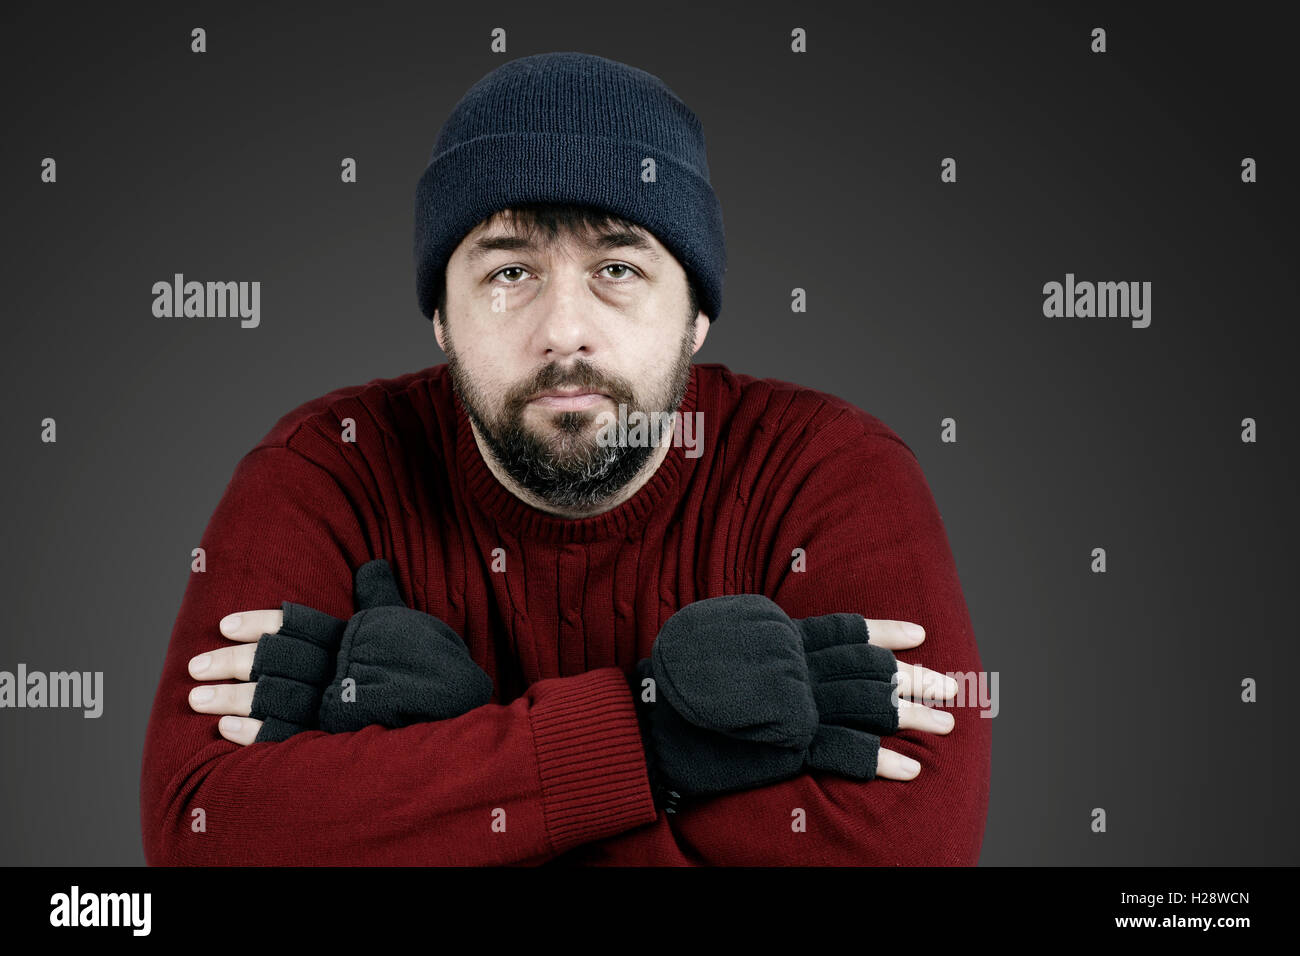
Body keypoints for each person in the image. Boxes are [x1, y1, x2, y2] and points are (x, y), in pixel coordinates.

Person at [139, 51, 991, 866]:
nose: (562, 333)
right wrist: (657, 740)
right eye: (509, 271)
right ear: (441, 313)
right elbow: (203, 837)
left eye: (617, 266)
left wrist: (450, 769)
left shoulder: (833, 474)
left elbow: (905, 851)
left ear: (696, 312)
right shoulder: (324, 471)